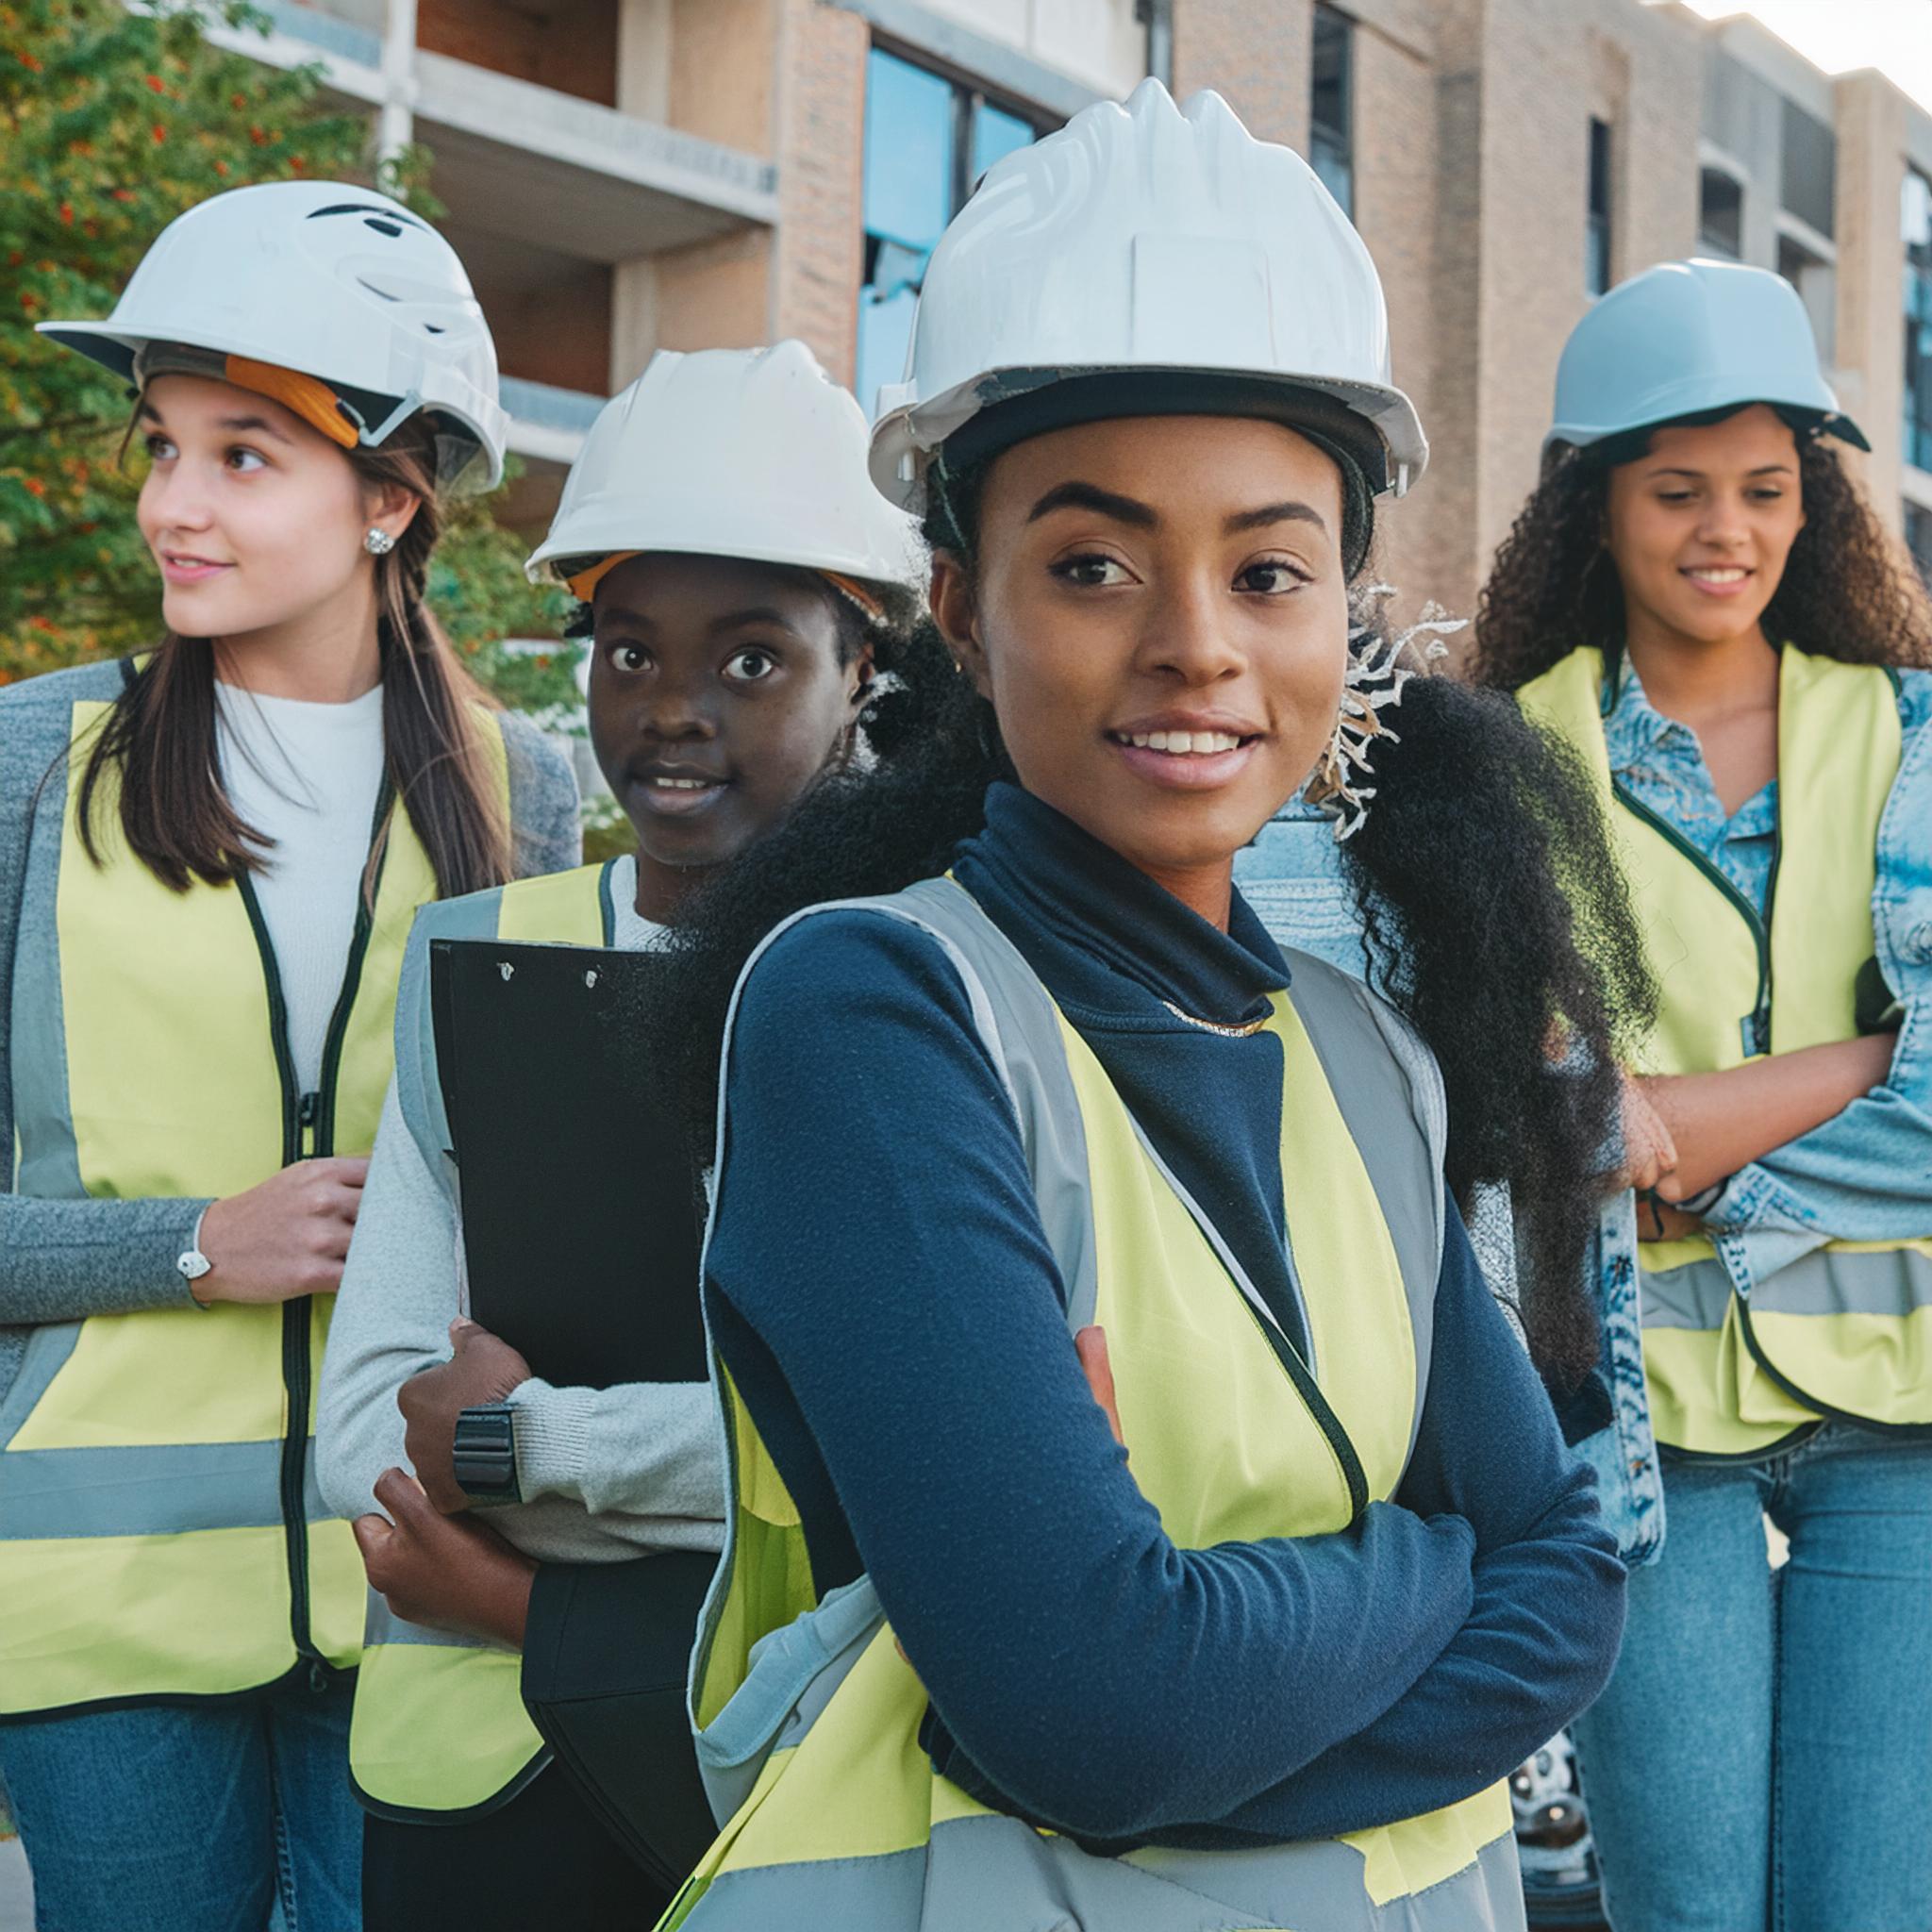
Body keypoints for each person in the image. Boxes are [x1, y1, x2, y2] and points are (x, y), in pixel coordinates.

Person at [642, 82, 1635, 1932]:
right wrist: (1438, 1558)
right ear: (956, 601)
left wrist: (1199, 1688)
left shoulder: (1364, 1053)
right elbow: (1098, 1706)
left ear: (1342, 612)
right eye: (1091, 563)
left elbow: (1571, 1583)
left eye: (1268, 569)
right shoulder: (875, 1012)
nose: (1192, 639)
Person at [0, 181, 579, 1931]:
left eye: (243, 456)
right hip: (93, 1615)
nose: (172, 504)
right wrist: (190, 1246)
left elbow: (540, 1205)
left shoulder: (521, 787)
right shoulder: (34, 760)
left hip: (414, 1573)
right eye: (163, 444)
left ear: (392, 499)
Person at [313, 341, 924, 1931]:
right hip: (470, 1784)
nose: (670, 715)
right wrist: (686, 1484)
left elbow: (899, 1459)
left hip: (798, 1772)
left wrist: (528, 1456)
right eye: (629, 653)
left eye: (748, 662)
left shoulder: (918, 982)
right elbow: (368, 1429)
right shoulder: (476, 954)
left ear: (862, 670)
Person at [1473, 257, 1932, 1932]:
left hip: (1906, 1415)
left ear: (1817, 505)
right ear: (1594, 510)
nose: (1724, 529)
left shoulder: (1913, 733)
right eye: (1676, 491)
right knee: (1686, 1911)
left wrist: (1680, 1130)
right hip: (1647, 1431)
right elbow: (1534, 1135)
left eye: (1766, 488)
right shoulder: (1500, 763)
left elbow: (1623, 1133)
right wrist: (1873, 1056)